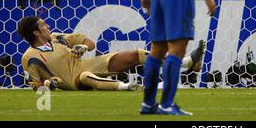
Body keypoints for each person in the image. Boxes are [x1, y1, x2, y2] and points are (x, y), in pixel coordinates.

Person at [17, 16, 205, 91]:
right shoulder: (30, 57)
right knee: (85, 77)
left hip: (87, 65)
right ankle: (126, 87)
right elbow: (34, 84)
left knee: (136, 54)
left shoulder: (58, 37)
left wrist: (83, 48)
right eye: (43, 25)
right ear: (35, 32)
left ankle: (188, 63)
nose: (48, 26)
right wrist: (48, 85)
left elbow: (89, 43)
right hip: (74, 81)